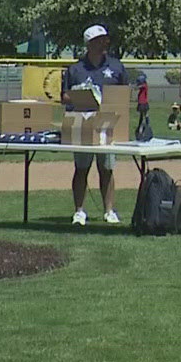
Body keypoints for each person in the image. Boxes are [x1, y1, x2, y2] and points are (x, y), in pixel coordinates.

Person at [62, 24, 131, 227]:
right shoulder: (76, 69)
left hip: (108, 125)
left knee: (106, 168)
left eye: (105, 39)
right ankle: (79, 211)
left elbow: (125, 93)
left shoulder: (116, 66)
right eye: (99, 40)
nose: (104, 43)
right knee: (81, 168)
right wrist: (80, 96)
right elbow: (64, 96)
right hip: (83, 124)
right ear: (90, 43)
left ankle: (109, 210)